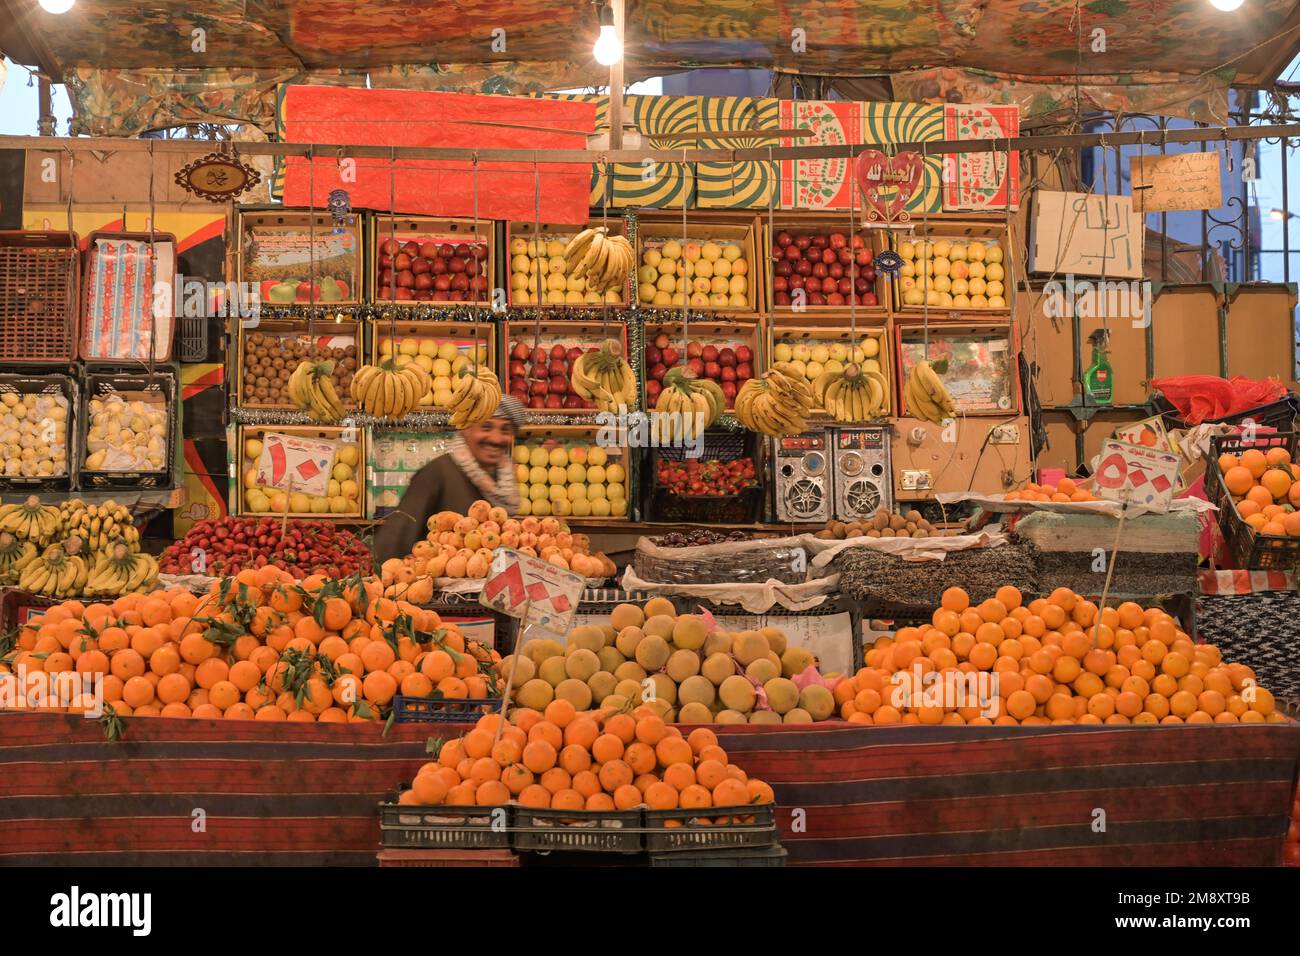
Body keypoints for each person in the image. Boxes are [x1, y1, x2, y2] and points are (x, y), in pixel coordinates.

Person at [373, 396, 524, 562]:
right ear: (466, 428)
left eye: (505, 430)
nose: (496, 438)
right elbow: (395, 537)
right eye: (486, 427)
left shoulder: (505, 481)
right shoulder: (437, 473)